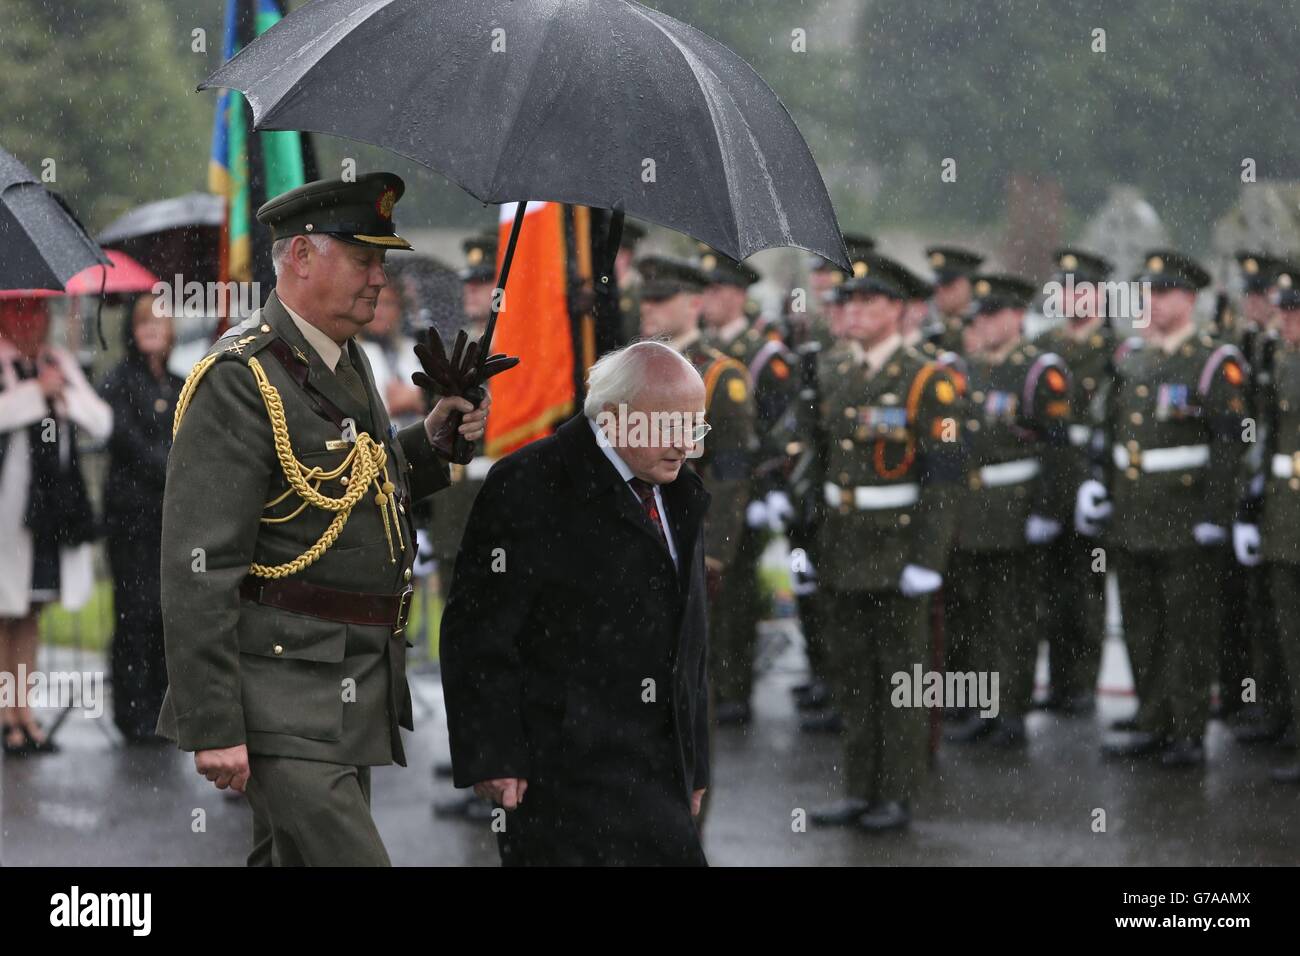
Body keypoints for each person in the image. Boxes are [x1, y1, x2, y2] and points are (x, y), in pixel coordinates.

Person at [154, 172, 490, 866]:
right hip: (280, 695)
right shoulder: (239, 378)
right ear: (302, 257)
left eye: (383, 262)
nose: (380, 279)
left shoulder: (342, 357)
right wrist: (214, 723)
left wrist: (432, 439)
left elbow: (353, 482)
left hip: (345, 685)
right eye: (364, 258)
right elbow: (199, 566)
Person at [441, 341, 711, 865]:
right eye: (672, 427)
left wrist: (695, 762)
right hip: (560, 768)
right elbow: (477, 630)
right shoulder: (530, 484)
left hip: (658, 766)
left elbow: (691, 645)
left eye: (695, 429)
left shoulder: (678, 489)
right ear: (612, 418)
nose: (686, 446)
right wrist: (491, 753)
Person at [800, 253, 964, 831]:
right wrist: (809, 545)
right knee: (852, 673)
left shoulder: (928, 379)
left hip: (898, 549)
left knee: (901, 676)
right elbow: (820, 467)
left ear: (899, 310)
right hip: (843, 544)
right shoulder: (835, 370)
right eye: (851, 302)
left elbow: (944, 477)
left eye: (871, 302)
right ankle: (859, 786)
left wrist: (929, 558)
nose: (857, 312)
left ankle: (896, 792)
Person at [1093, 251, 1246, 767]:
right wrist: (1102, 488)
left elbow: (1228, 446)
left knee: (1187, 628)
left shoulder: (1212, 361)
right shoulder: (1134, 358)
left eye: (1163, 293)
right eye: (1147, 293)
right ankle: (1152, 717)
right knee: (1142, 622)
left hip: (1184, 515)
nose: (1152, 303)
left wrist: (1216, 515)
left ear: (1189, 298)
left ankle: (1187, 730)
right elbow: (1114, 433)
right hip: (1134, 514)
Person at [944, 274, 1078, 747]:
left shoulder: (1040, 371)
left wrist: (1049, 510)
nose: (984, 325)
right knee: (974, 615)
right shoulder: (967, 368)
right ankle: (985, 707)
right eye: (978, 317)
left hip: (1017, 510)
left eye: (993, 315)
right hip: (972, 511)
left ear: (1017, 316)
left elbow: (1060, 449)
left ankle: (1012, 711)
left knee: (1013, 617)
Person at [0, 295, 112, 755]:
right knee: (4, 612)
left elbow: (102, 422)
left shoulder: (56, 361)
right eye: (20, 311)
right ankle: (7, 717)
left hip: (47, 514)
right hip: (6, 516)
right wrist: (36, 395)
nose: (32, 321)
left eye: (38, 311)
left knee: (30, 612)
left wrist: (61, 391)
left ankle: (25, 713)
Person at [698, 247, 796, 724]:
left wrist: (772, 485)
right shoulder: (701, 352)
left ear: (738, 295)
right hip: (711, 487)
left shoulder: (764, 357)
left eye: (716, 289)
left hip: (749, 490)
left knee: (734, 596)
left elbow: (782, 426)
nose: (707, 299)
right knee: (707, 597)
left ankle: (734, 690)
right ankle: (711, 684)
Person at [1031, 248, 1117, 715]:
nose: (1071, 298)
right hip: (1049, 480)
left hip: (1090, 478)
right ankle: (1057, 681)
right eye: (1064, 289)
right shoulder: (1045, 346)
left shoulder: (1116, 353)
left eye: (1080, 290)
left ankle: (1081, 682)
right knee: (1050, 588)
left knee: (1086, 589)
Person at [98, 292, 183, 742]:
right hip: (130, 520)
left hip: (170, 522)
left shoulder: (180, 383)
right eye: (144, 320)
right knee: (134, 613)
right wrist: (172, 465)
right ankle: (132, 713)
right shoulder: (117, 382)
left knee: (166, 616)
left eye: (160, 321)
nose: (152, 328)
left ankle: (161, 708)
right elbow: (127, 444)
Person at [1236, 263, 1300, 781]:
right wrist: (1250, 508)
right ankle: (1286, 722)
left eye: (1291, 312)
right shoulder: (1282, 361)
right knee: (1285, 629)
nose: (1281, 320)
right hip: (1282, 512)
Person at [924, 245, 985, 352]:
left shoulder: (984, 328)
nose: (940, 291)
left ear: (969, 285)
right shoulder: (925, 324)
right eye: (937, 285)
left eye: (948, 284)